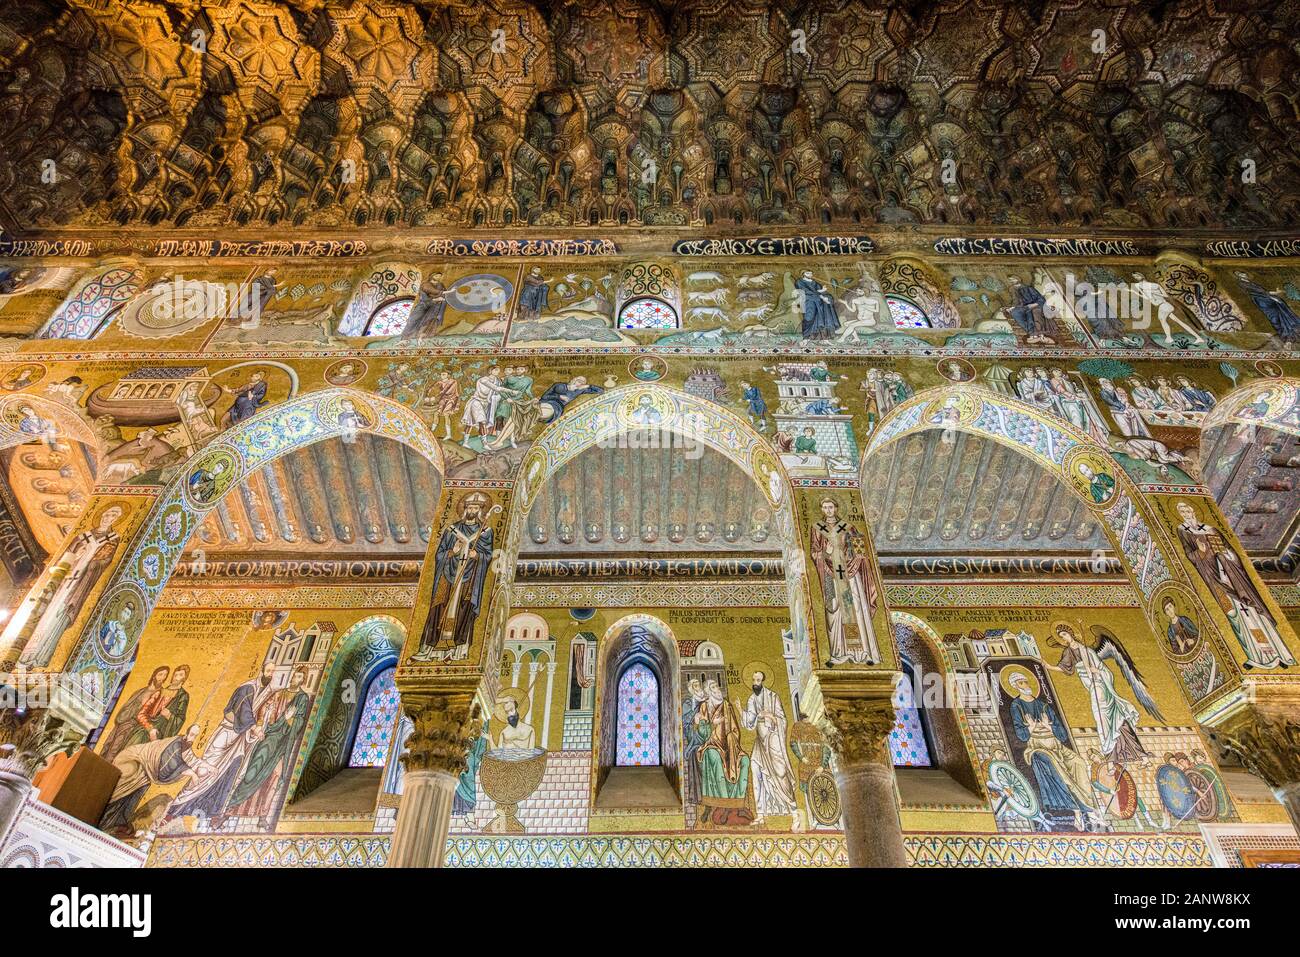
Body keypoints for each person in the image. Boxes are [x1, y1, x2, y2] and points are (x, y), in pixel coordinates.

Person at [1174, 500, 1295, 669]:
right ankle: (1255, 656)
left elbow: (1231, 551)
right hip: (1214, 578)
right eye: (1182, 511)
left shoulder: (1211, 529)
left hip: (1234, 577)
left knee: (1254, 612)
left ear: (1193, 511)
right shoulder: (1183, 531)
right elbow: (1189, 555)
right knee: (1233, 615)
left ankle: (1279, 654)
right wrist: (1200, 551)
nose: (1187, 513)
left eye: (1188, 509)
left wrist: (1227, 554)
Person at [17, 504, 124, 666]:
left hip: (82, 581)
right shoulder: (82, 536)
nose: (108, 518)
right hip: (65, 579)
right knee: (47, 610)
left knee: (63, 614)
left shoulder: (113, 538)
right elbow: (66, 556)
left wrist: (93, 563)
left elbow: (106, 560)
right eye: (107, 514)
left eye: (113, 516)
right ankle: (23, 655)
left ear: (116, 520)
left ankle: (41, 657)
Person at [412, 492, 495, 662]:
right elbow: (439, 553)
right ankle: (431, 649)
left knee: (464, 609)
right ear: (464, 509)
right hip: (448, 576)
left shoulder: (485, 532)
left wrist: (477, 556)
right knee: (439, 607)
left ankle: (459, 650)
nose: (472, 510)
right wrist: (452, 552)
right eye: (470, 507)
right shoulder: (452, 530)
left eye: (476, 508)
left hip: (468, 578)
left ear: (480, 511)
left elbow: (488, 555)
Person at [810, 498, 880, 664]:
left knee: (856, 608)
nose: (828, 510)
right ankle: (839, 653)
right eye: (825, 507)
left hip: (851, 575)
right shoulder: (817, 528)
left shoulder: (848, 527)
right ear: (821, 509)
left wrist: (852, 555)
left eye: (831, 507)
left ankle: (863, 653)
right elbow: (814, 551)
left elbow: (859, 551)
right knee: (834, 610)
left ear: (836, 508)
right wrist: (824, 553)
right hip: (830, 573)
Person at [100, 725, 201, 837]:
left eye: (195, 736)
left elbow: (193, 759)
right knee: (123, 792)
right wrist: (191, 773)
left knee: (137, 793)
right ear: (187, 733)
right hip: (133, 762)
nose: (192, 738)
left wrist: (208, 767)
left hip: (143, 772)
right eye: (192, 734)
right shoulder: (176, 742)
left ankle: (119, 823)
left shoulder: (185, 747)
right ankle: (106, 822)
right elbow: (173, 760)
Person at [738, 671, 799, 828]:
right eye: (753, 679)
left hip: (773, 742)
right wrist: (740, 710)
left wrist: (771, 717)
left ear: (763, 681)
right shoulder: (752, 699)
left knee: (780, 773)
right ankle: (761, 814)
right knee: (755, 770)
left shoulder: (773, 697)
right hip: (760, 743)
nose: (755, 682)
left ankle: (794, 812)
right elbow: (749, 722)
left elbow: (783, 719)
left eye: (758, 679)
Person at [693, 681, 753, 826]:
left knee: (744, 760)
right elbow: (702, 733)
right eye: (713, 687)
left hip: (730, 747)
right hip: (711, 746)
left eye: (717, 687)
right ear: (708, 691)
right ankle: (724, 805)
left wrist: (732, 739)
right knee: (714, 757)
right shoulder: (704, 707)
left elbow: (735, 729)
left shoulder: (727, 706)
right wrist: (713, 723)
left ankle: (738, 805)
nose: (717, 690)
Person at [1233, 271, 1300, 343]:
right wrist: (1273, 294)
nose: (1244, 275)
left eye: (1244, 274)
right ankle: (1286, 335)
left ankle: (1291, 331)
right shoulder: (1242, 284)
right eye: (1241, 274)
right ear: (1239, 276)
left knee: (1281, 309)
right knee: (1275, 315)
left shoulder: (1251, 283)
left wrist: (1276, 293)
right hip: (1261, 300)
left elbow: (1264, 291)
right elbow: (1259, 292)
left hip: (1266, 298)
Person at [795, 270, 839, 339]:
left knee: (820, 316)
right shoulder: (800, 282)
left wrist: (824, 297)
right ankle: (806, 336)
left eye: (811, 273)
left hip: (818, 301)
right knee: (809, 318)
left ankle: (819, 337)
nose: (810, 275)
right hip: (808, 301)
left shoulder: (815, 283)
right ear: (803, 274)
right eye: (808, 273)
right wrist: (820, 291)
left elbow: (820, 293)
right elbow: (805, 291)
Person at [403, 272, 447, 339]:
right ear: (432, 276)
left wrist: (440, 299)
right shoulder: (426, 285)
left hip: (435, 306)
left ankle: (423, 335)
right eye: (437, 276)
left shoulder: (440, 284)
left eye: (439, 276)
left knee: (430, 320)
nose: (439, 277)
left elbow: (443, 294)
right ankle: (406, 336)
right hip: (423, 304)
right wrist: (435, 299)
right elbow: (431, 293)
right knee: (414, 319)